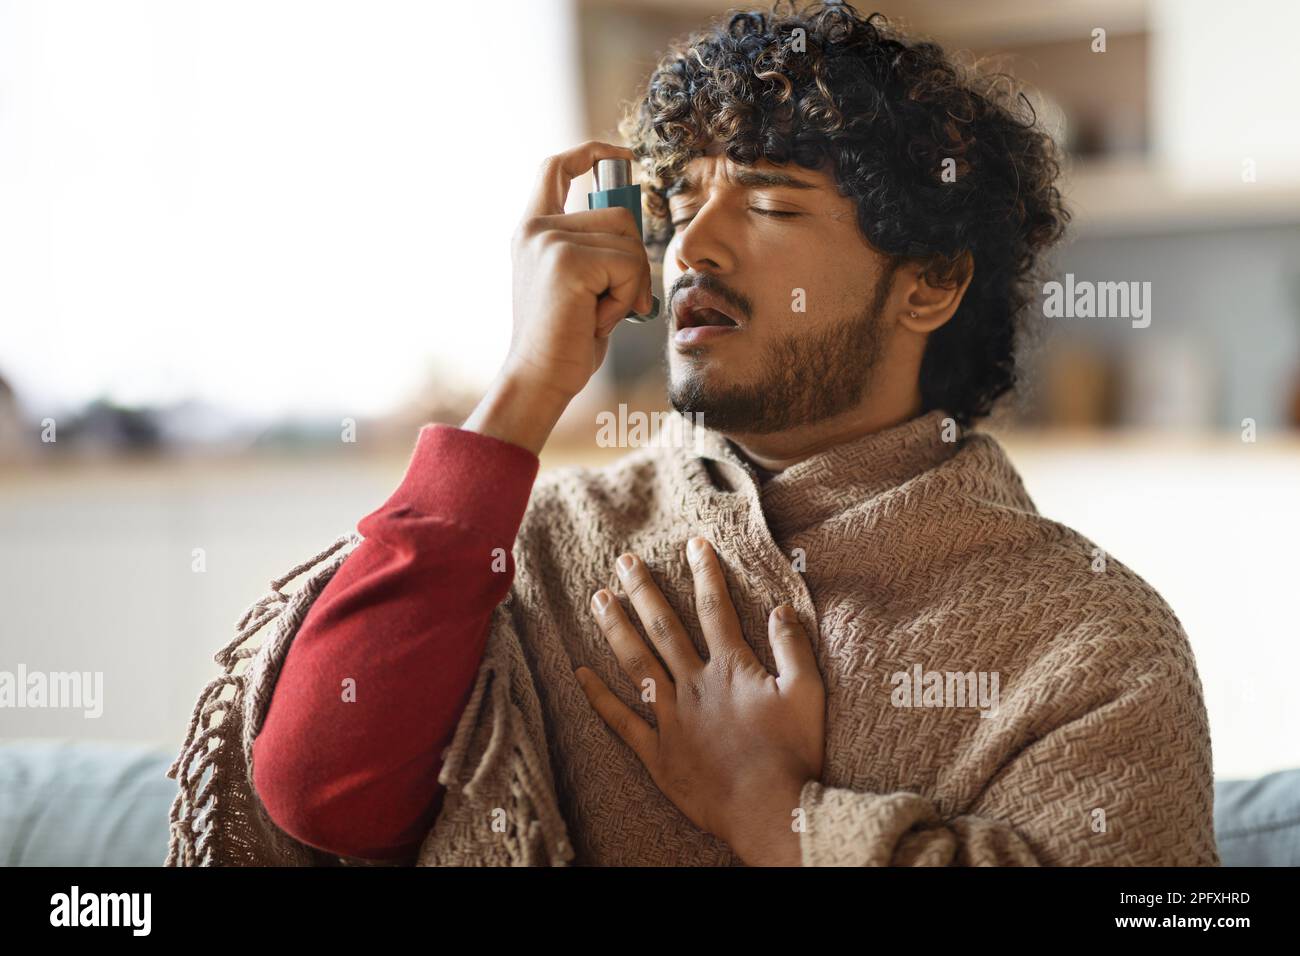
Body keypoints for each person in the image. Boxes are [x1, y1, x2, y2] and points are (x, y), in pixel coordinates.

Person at [250, 2, 1219, 866]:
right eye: (677, 207)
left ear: (928, 280)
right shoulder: (533, 542)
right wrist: (523, 388)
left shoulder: (1092, 647)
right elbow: (320, 797)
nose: (691, 248)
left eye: (765, 204)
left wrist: (779, 816)